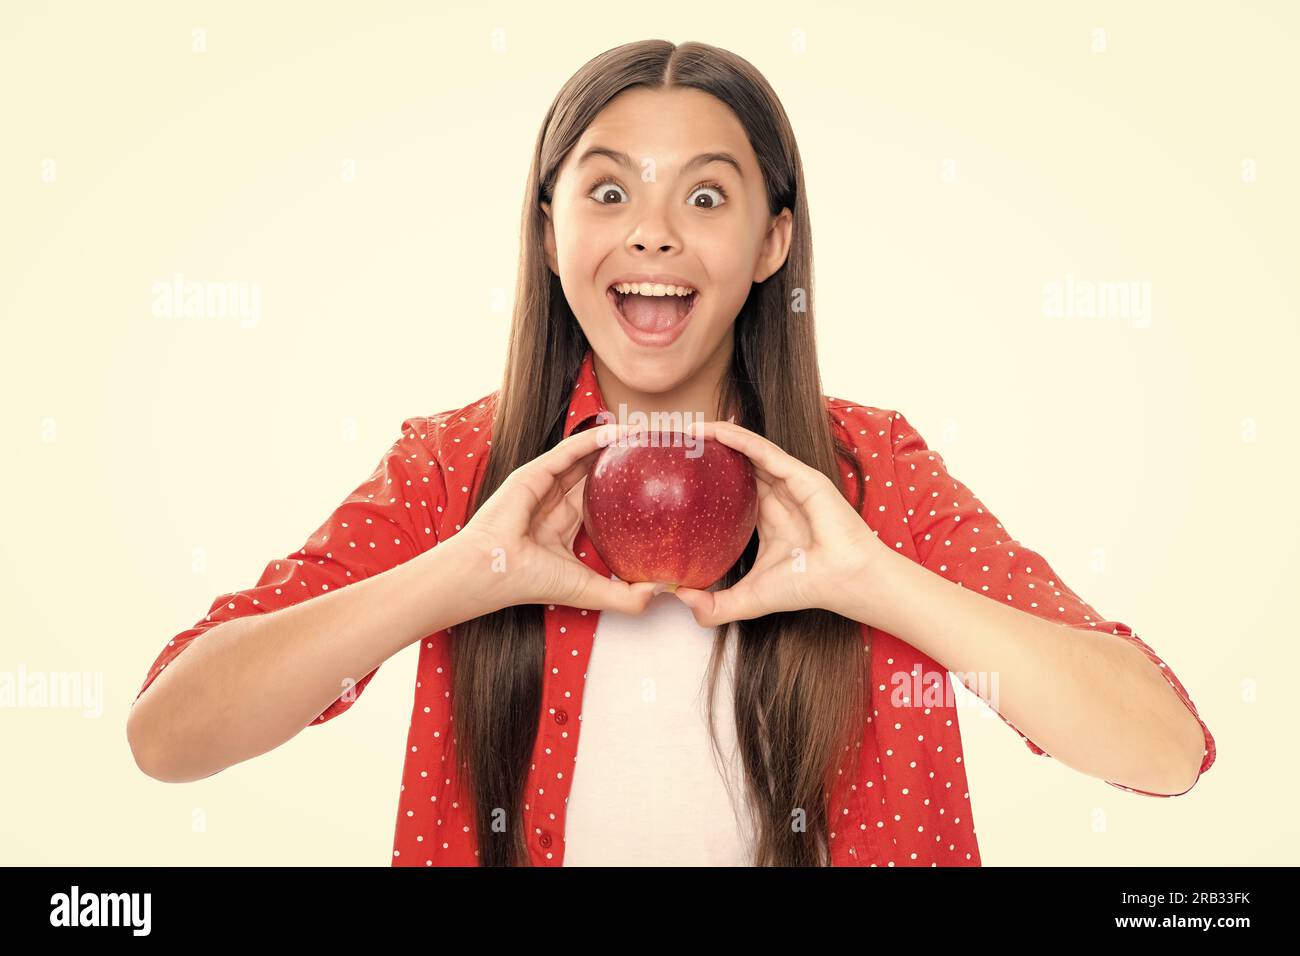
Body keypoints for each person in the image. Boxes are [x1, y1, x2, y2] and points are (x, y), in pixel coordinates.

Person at [127, 39, 1216, 867]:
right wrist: (457, 575)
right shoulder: (458, 466)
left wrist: (873, 579)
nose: (652, 232)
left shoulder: (872, 471)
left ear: (771, 240)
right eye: (608, 191)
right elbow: (169, 734)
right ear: (550, 230)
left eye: (704, 195)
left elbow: (1159, 746)